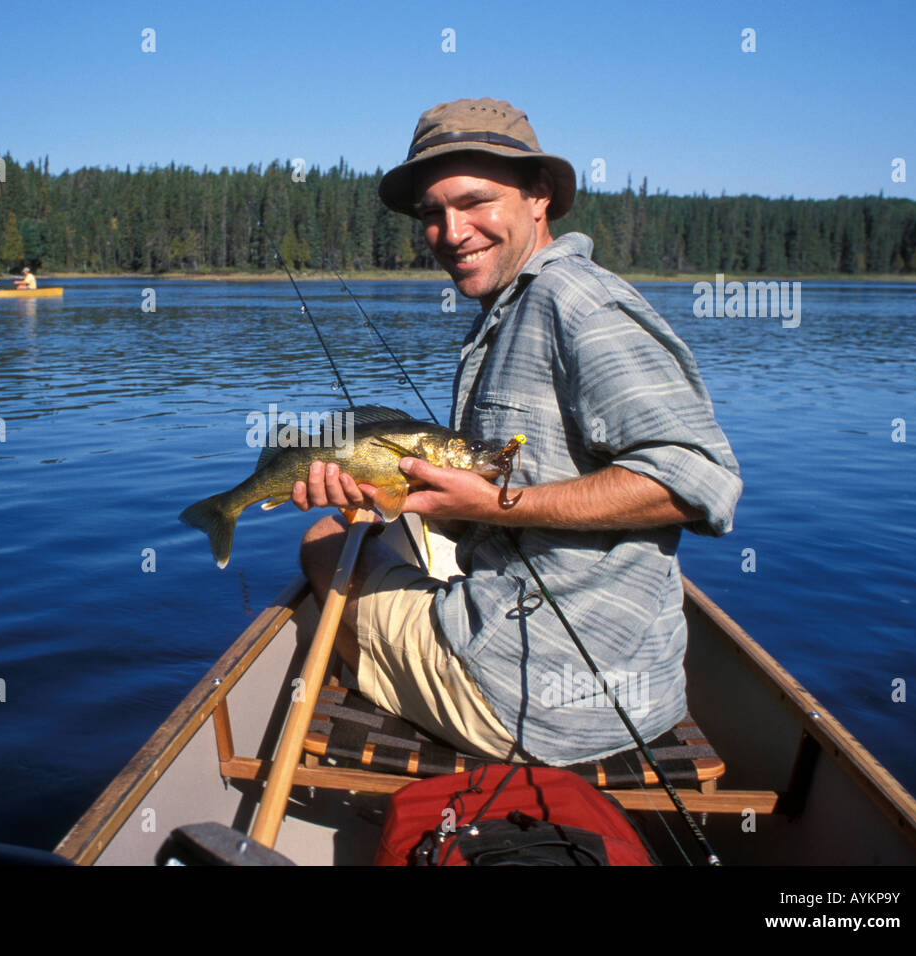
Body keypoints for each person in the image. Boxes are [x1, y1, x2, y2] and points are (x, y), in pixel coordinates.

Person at [294, 98, 742, 768]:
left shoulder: (583, 307)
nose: (452, 232)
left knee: (326, 542)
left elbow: (702, 481)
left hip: (532, 698)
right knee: (383, 524)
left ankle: (389, 681)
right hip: (633, 685)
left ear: (539, 197)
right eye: (432, 215)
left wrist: (495, 506)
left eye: (475, 203)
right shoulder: (513, 311)